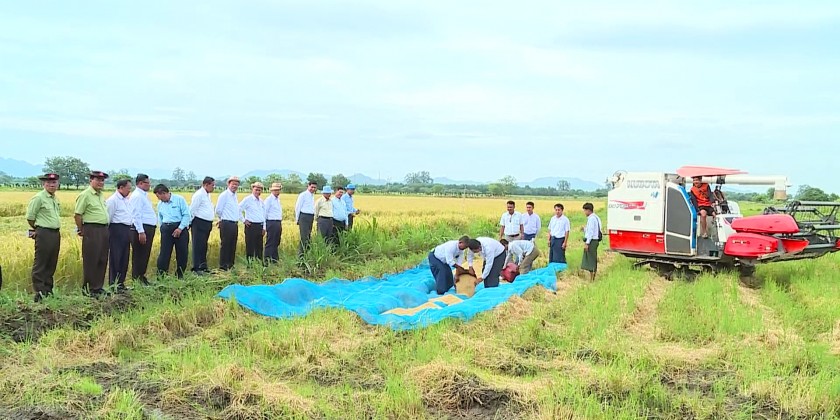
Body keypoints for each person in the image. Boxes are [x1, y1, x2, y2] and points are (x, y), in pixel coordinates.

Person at [26, 173, 61, 302]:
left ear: (57, 184)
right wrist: (38, 229)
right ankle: (39, 291)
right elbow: (30, 217)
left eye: (54, 183)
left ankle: (48, 289)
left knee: (52, 262)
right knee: (41, 262)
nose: (52, 185)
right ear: (43, 184)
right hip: (44, 232)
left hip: (55, 233)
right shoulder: (38, 198)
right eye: (49, 183)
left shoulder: (54, 198)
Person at [74, 171, 110, 297]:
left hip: (104, 229)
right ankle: (88, 289)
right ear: (91, 180)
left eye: (102, 180)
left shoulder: (100, 195)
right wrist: (82, 229)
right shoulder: (85, 195)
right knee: (91, 259)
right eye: (98, 180)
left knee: (102, 258)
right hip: (92, 229)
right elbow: (78, 214)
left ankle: (97, 287)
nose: (100, 182)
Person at [154, 184, 191, 278]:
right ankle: (161, 275)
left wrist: (180, 228)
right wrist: (162, 228)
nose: (159, 199)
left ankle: (180, 275)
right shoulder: (160, 204)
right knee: (164, 253)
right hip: (166, 228)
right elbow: (160, 217)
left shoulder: (179, 200)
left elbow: (186, 215)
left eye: (159, 196)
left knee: (182, 253)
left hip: (180, 227)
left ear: (164, 193)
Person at [106, 179, 134, 291]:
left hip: (126, 230)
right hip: (116, 230)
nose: (129, 191)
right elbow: (108, 217)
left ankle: (121, 283)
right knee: (116, 257)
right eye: (128, 188)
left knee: (124, 257)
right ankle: (113, 284)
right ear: (121, 188)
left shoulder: (125, 200)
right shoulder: (113, 200)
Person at [130, 174, 158, 285]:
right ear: (140, 183)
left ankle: (141, 276)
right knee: (139, 254)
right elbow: (136, 215)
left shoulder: (143, 195)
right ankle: (137, 279)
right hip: (141, 228)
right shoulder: (137, 196)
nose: (149, 185)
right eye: (147, 183)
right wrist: (141, 231)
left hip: (148, 227)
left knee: (145, 254)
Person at [215, 176, 242, 270]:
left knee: (232, 245)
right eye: (233, 184)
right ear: (228, 184)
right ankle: (223, 266)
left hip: (234, 224)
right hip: (226, 223)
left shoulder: (235, 196)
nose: (235, 186)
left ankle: (230, 265)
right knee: (225, 245)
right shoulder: (224, 195)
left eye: (237, 184)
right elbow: (218, 210)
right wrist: (221, 219)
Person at [190, 176, 215, 274]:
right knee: (197, 245)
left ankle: (203, 266)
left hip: (207, 223)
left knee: (203, 245)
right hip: (199, 222)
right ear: (206, 185)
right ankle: (196, 268)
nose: (213, 187)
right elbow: (192, 209)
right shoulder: (199, 195)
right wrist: (189, 223)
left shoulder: (207, 195)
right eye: (212, 185)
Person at [239, 182, 266, 261]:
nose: (258, 192)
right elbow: (238, 209)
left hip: (260, 226)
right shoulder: (248, 199)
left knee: (259, 247)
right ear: (252, 189)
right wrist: (244, 220)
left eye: (260, 190)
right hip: (251, 225)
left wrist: (264, 227)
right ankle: (250, 264)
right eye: (256, 190)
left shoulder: (261, 201)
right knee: (250, 246)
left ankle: (259, 263)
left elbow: (263, 215)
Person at [295, 181, 317, 256]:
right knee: (304, 237)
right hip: (303, 216)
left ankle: (306, 254)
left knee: (308, 236)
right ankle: (301, 255)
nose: (313, 189)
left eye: (314, 188)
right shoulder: (303, 195)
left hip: (310, 217)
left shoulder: (312, 196)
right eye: (312, 187)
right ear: (308, 186)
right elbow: (298, 207)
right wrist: (297, 219)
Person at [582, 202, 602, 281]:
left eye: (585, 210)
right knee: (592, 258)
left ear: (588, 210)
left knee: (591, 260)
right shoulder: (596, 217)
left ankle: (592, 278)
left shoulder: (592, 219)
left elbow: (591, 232)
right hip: (594, 240)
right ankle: (592, 277)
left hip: (592, 241)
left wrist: (587, 243)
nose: (584, 212)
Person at [263, 182, 283, 262]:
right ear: (272, 191)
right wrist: (264, 225)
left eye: (278, 190)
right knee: (270, 241)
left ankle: (274, 259)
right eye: (275, 190)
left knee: (276, 241)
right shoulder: (269, 200)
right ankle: (267, 259)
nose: (277, 192)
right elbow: (265, 212)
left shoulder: (277, 200)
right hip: (271, 222)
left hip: (278, 222)